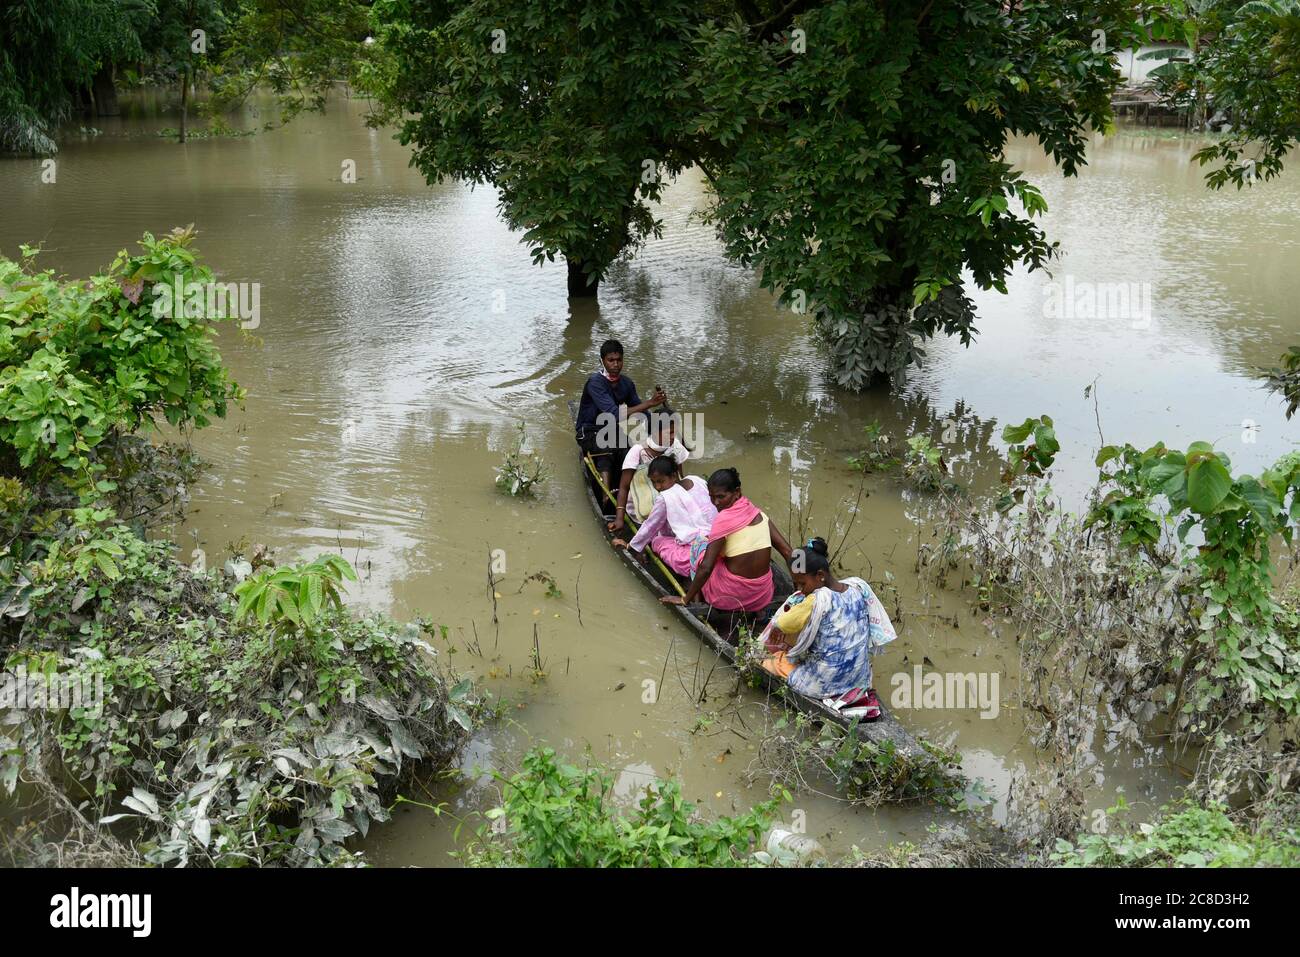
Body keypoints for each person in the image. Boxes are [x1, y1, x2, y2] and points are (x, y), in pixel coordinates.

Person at [757, 537, 896, 721]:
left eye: (802, 584)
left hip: (823, 682)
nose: (800, 590)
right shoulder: (857, 586)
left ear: (820, 576)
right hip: (858, 679)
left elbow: (784, 623)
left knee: (770, 661)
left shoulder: (818, 598)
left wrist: (776, 627)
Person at [661, 468, 794, 613]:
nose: (715, 502)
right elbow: (788, 552)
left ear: (737, 492)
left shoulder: (723, 520)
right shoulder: (760, 514)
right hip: (762, 596)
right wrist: (799, 586)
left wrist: (683, 599)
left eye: (720, 496)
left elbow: (706, 567)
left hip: (729, 598)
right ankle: (758, 611)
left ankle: (695, 598)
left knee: (699, 544)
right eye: (711, 497)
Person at [575, 339, 666, 492]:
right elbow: (615, 414)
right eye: (611, 360)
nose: (615, 364)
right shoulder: (595, 382)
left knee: (631, 447)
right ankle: (605, 492)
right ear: (602, 361)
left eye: (619, 360)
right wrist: (650, 402)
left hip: (612, 430)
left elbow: (640, 410)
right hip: (589, 432)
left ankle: (630, 486)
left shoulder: (626, 383)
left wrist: (660, 427)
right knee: (610, 446)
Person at [611, 456, 716, 576]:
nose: (658, 487)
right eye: (654, 482)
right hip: (717, 537)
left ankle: (685, 572)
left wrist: (631, 547)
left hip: (698, 550)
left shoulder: (665, 497)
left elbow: (650, 526)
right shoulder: (696, 480)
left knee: (657, 540)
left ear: (674, 476)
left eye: (661, 481)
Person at [609, 410, 690, 533]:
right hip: (641, 509)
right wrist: (619, 519)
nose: (674, 436)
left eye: (676, 432)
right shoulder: (638, 451)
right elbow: (624, 487)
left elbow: (679, 479)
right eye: (671, 432)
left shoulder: (676, 448)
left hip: (667, 505)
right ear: (656, 432)